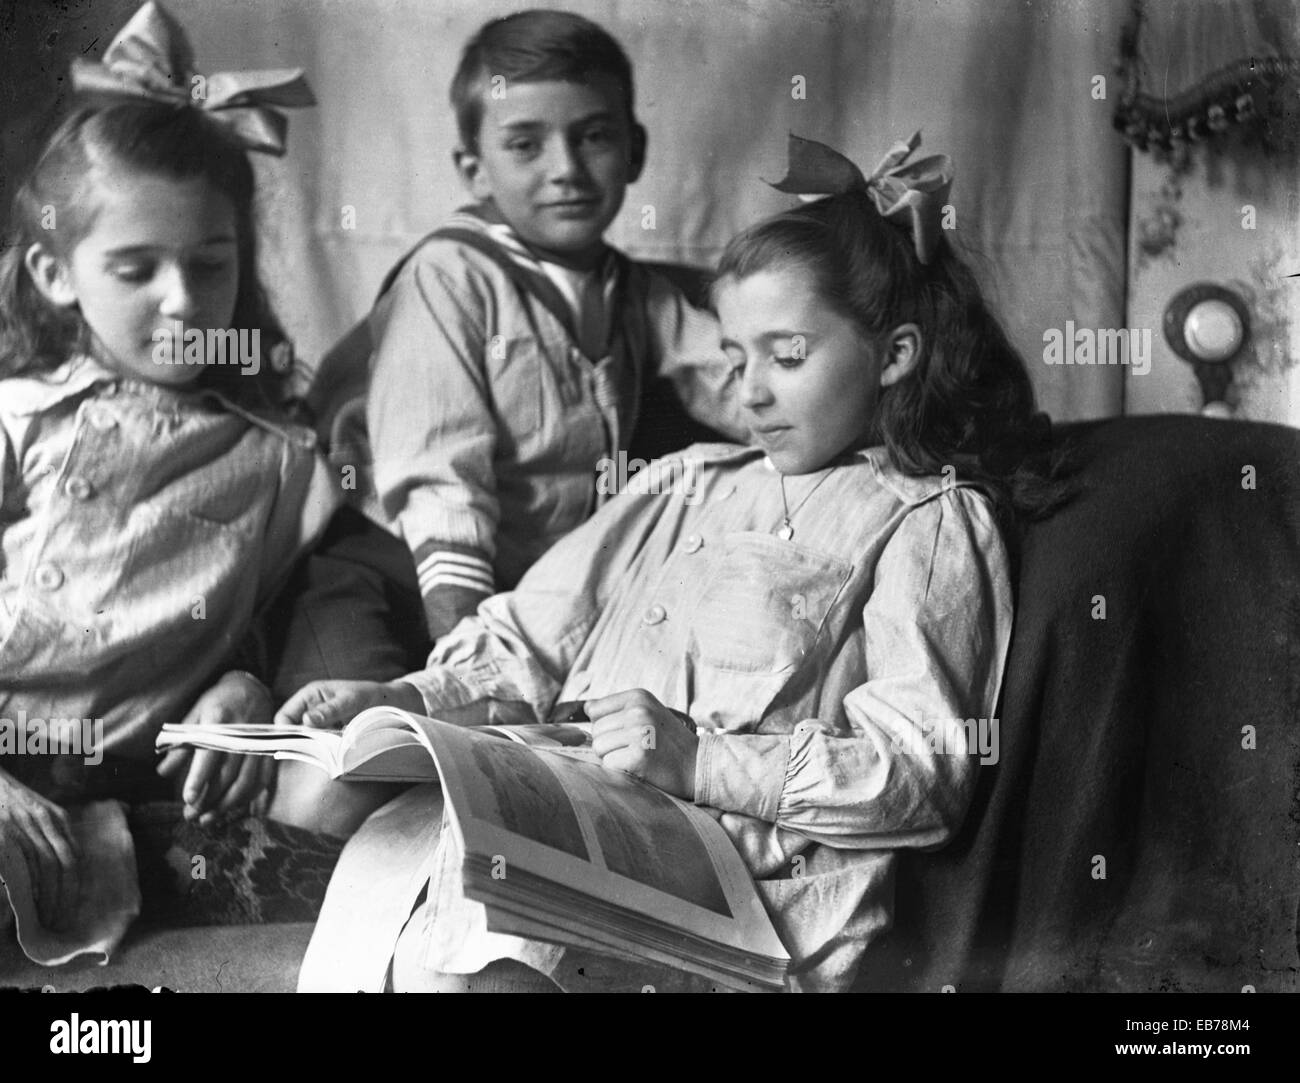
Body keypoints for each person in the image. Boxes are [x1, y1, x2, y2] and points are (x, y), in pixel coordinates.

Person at [279, 133, 1064, 992]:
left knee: (497, 963)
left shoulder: (928, 517)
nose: (751, 390)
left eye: (787, 355)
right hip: (573, 819)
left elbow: (921, 769)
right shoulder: (684, 480)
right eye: (735, 358)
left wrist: (701, 762)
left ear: (896, 354)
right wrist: (401, 699)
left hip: (743, 886)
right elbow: (528, 639)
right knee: (378, 862)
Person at [0, 1, 343, 933]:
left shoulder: (276, 456)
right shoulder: (18, 419)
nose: (184, 300)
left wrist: (247, 689)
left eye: (210, 263)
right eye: (136, 268)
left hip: (145, 775)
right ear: (55, 274)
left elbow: (264, 615)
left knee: (347, 823)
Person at [337, 8, 746, 649]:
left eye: (593, 137)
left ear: (635, 151)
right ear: (474, 169)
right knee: (363, 728)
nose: (566, 169)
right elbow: (441, 478)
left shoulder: (636, 293)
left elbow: (742, 384)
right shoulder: (448, 276)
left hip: (525, 590)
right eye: (525, 144)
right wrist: (466, 661)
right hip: (400, 569)